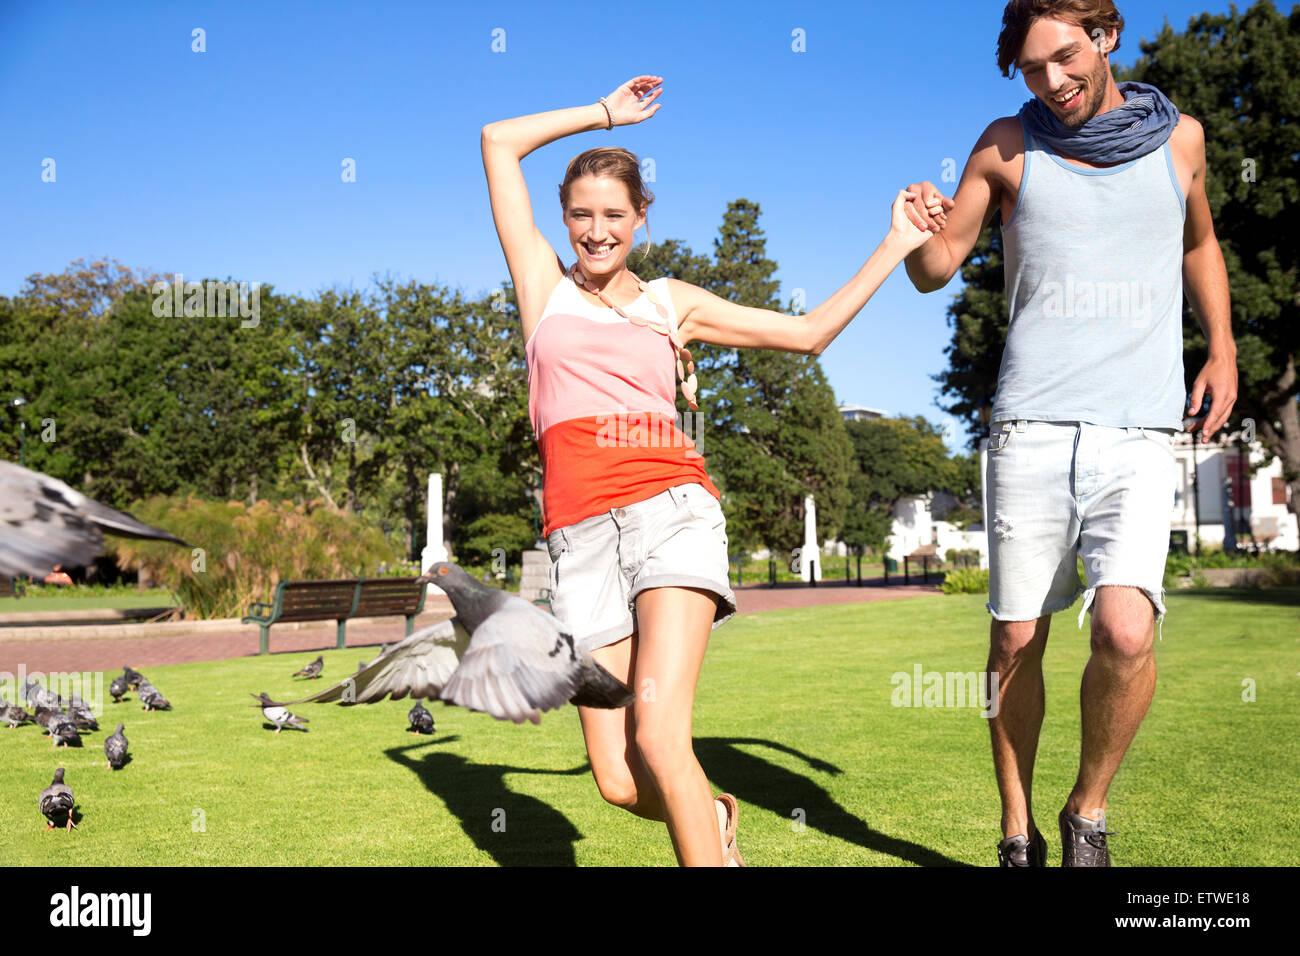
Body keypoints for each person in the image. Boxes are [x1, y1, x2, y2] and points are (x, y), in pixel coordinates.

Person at [481, 74, 943, 866]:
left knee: (661, 734)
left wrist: (896, 244)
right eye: (581, 215)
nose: (596, 232)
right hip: (578, 539)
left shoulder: (670, 303)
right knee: (620, 783)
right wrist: (604, 113)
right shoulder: (541, 288)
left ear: (641, 219)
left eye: (614, 216)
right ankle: (715, 818)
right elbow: (498, 140)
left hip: (670, 512)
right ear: (562, 217)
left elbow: (806, 334)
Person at [900, 0, 1237, 866]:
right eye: (1031, 69)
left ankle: (1085, 813)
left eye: (1064, 57)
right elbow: (939, 270)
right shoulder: (1007, 144)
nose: (1052, 82)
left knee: (1126, 631)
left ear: (1106, 37)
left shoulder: (1181, 142)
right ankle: (1017, 831)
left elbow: (1199, 243)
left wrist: (1222, 347)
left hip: (1139, 426)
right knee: (1016, 637)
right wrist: (917, 232)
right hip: (1031, 425)